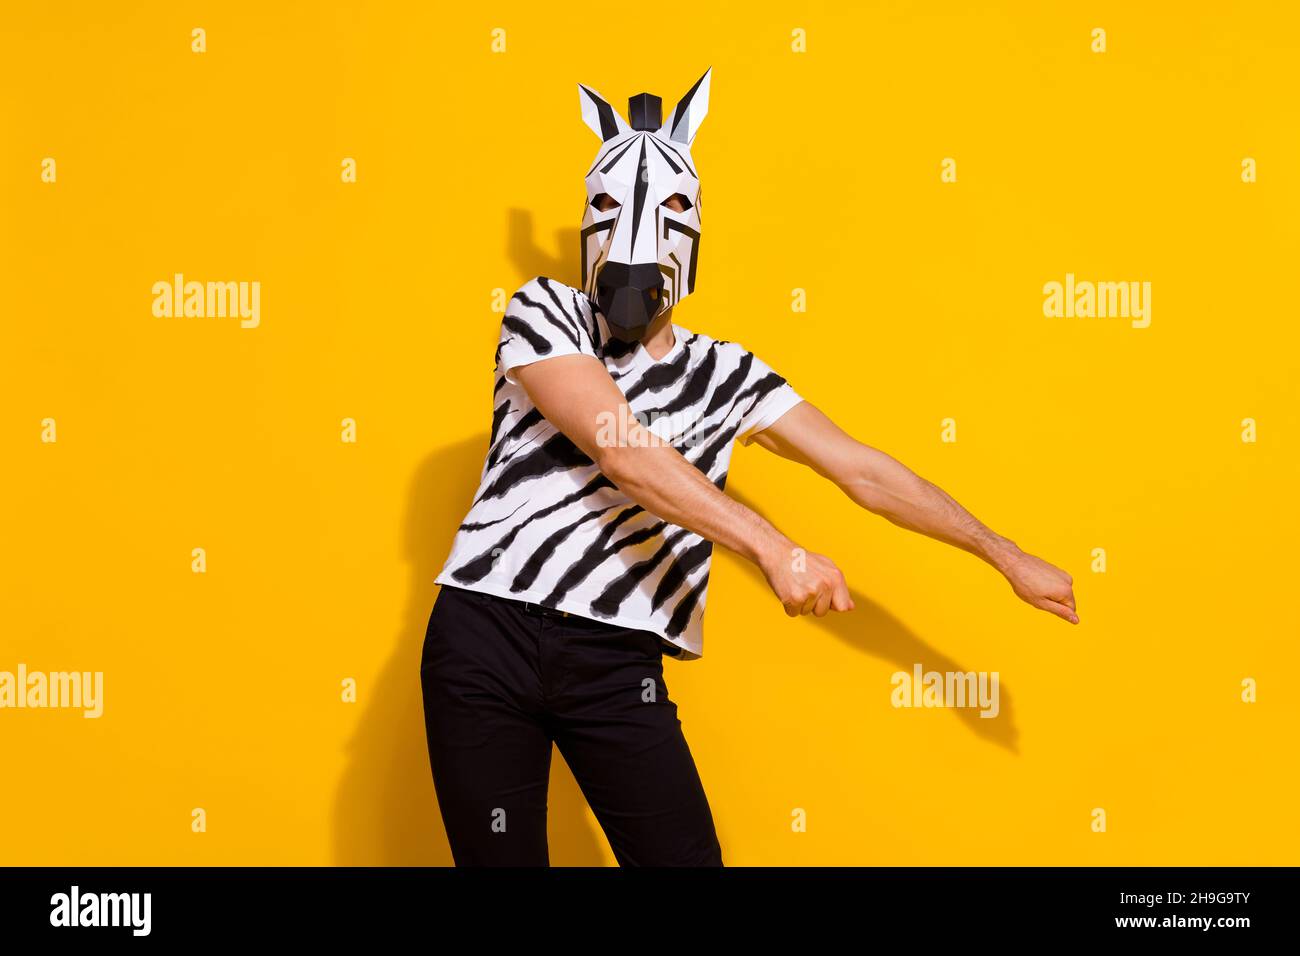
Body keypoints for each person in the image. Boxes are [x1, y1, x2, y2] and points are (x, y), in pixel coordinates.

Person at [420, 69, 1077, 867]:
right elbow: (620, 448)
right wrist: (773, 548)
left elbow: (861, 469)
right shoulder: (544, 310)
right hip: (487, 635)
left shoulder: (727, 374)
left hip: (618, 662)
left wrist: (1000, 553)